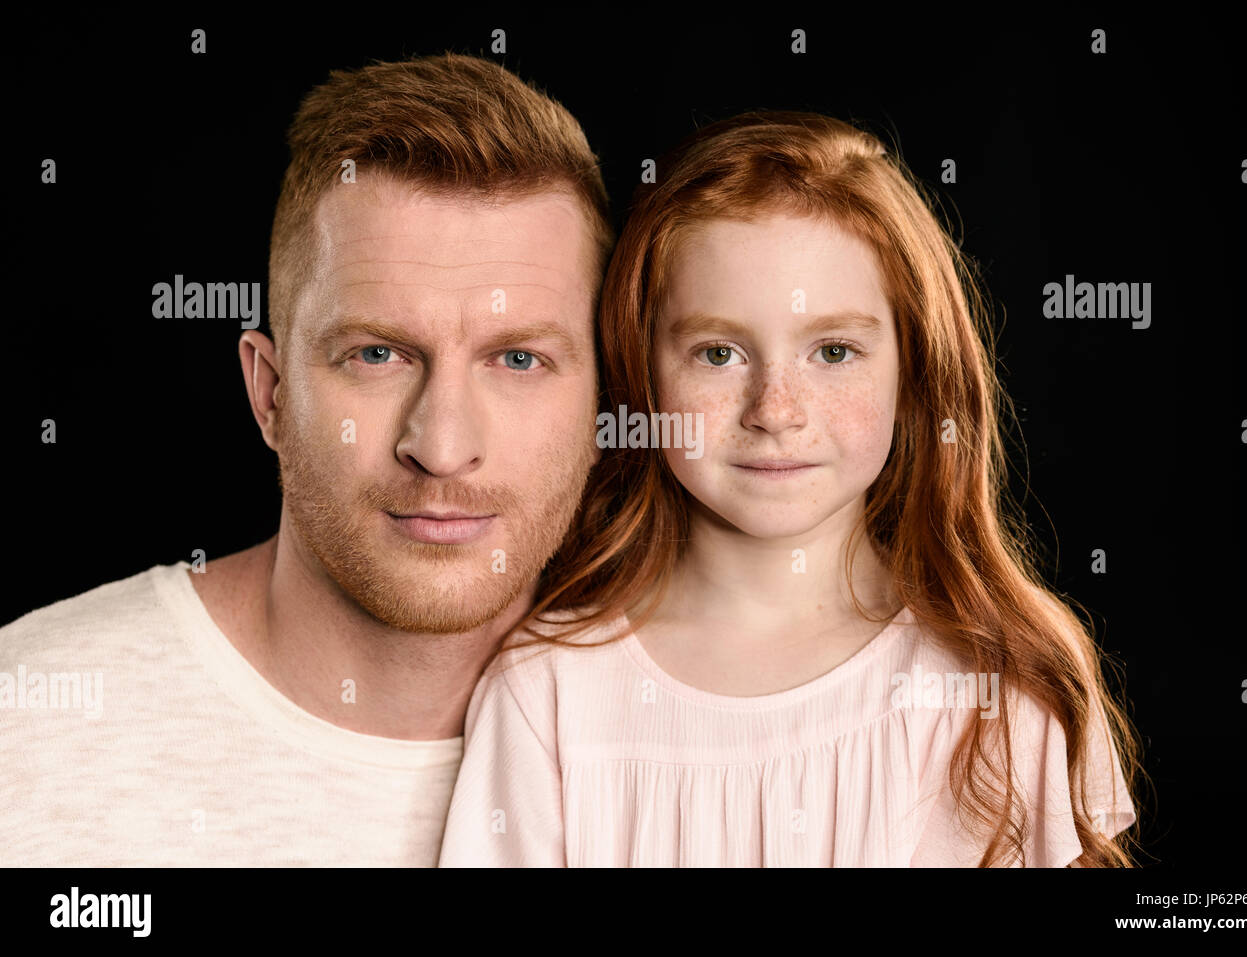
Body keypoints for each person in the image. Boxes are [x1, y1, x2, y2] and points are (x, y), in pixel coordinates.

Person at [438, 110, 1141, 867]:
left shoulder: (1000, 677)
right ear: (641, 369)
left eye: (833, 351)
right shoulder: (549, 692)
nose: (775, 410)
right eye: (718, 353)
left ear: (914, 371)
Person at [0, 53, 613, 866]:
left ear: (604, 404)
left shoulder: (699, 755)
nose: (441, 446)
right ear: (270, 393)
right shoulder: (28, 722)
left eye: (519, 360)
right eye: (376, 354)